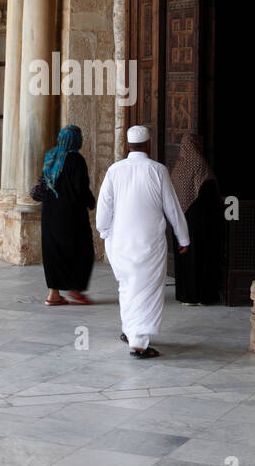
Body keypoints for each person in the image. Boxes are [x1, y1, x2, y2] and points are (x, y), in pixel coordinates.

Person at [96, 124, 189, 357]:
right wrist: (183, 237)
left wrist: (104, 231)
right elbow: (172, 208)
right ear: (148, 144)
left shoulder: (114, 170)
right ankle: (138, 342)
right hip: (149, 243)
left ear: (128, 145)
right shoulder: (158, 170)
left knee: (128, 287)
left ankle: (130, 330)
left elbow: (104, 206)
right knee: (146, 290)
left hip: (120, 241)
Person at [40, 123, 96, 306]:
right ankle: (74, 290)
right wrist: (91, 202)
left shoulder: (51, 156)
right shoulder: (75, 160)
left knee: (53, 252)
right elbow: (81, 188)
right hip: (71, 216)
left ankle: (53, 294)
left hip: (49, 213)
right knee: (82, 251)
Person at [171, 132, 224, 305]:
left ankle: (185, 296)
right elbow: (207, 193)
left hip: (180, 218)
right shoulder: (200, 164)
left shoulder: (177, 167)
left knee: (184, 258)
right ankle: (201, 296)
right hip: (198, 220)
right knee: (200, 257)